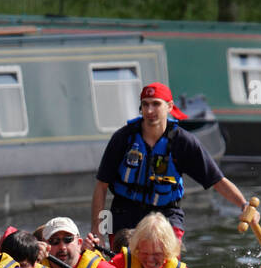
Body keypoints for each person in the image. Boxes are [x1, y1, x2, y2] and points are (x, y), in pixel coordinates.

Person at [91, 82, 249, 239]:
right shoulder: (123, 138)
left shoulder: (184, 142)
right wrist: (97, 230)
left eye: (156, 104)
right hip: (124, 215)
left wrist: (244, 205)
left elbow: (217, 181)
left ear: (170, 106)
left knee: (166, 260)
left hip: (166, 215)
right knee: (124, 258)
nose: (150, 110)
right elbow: (101, 186)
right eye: (145, 105)